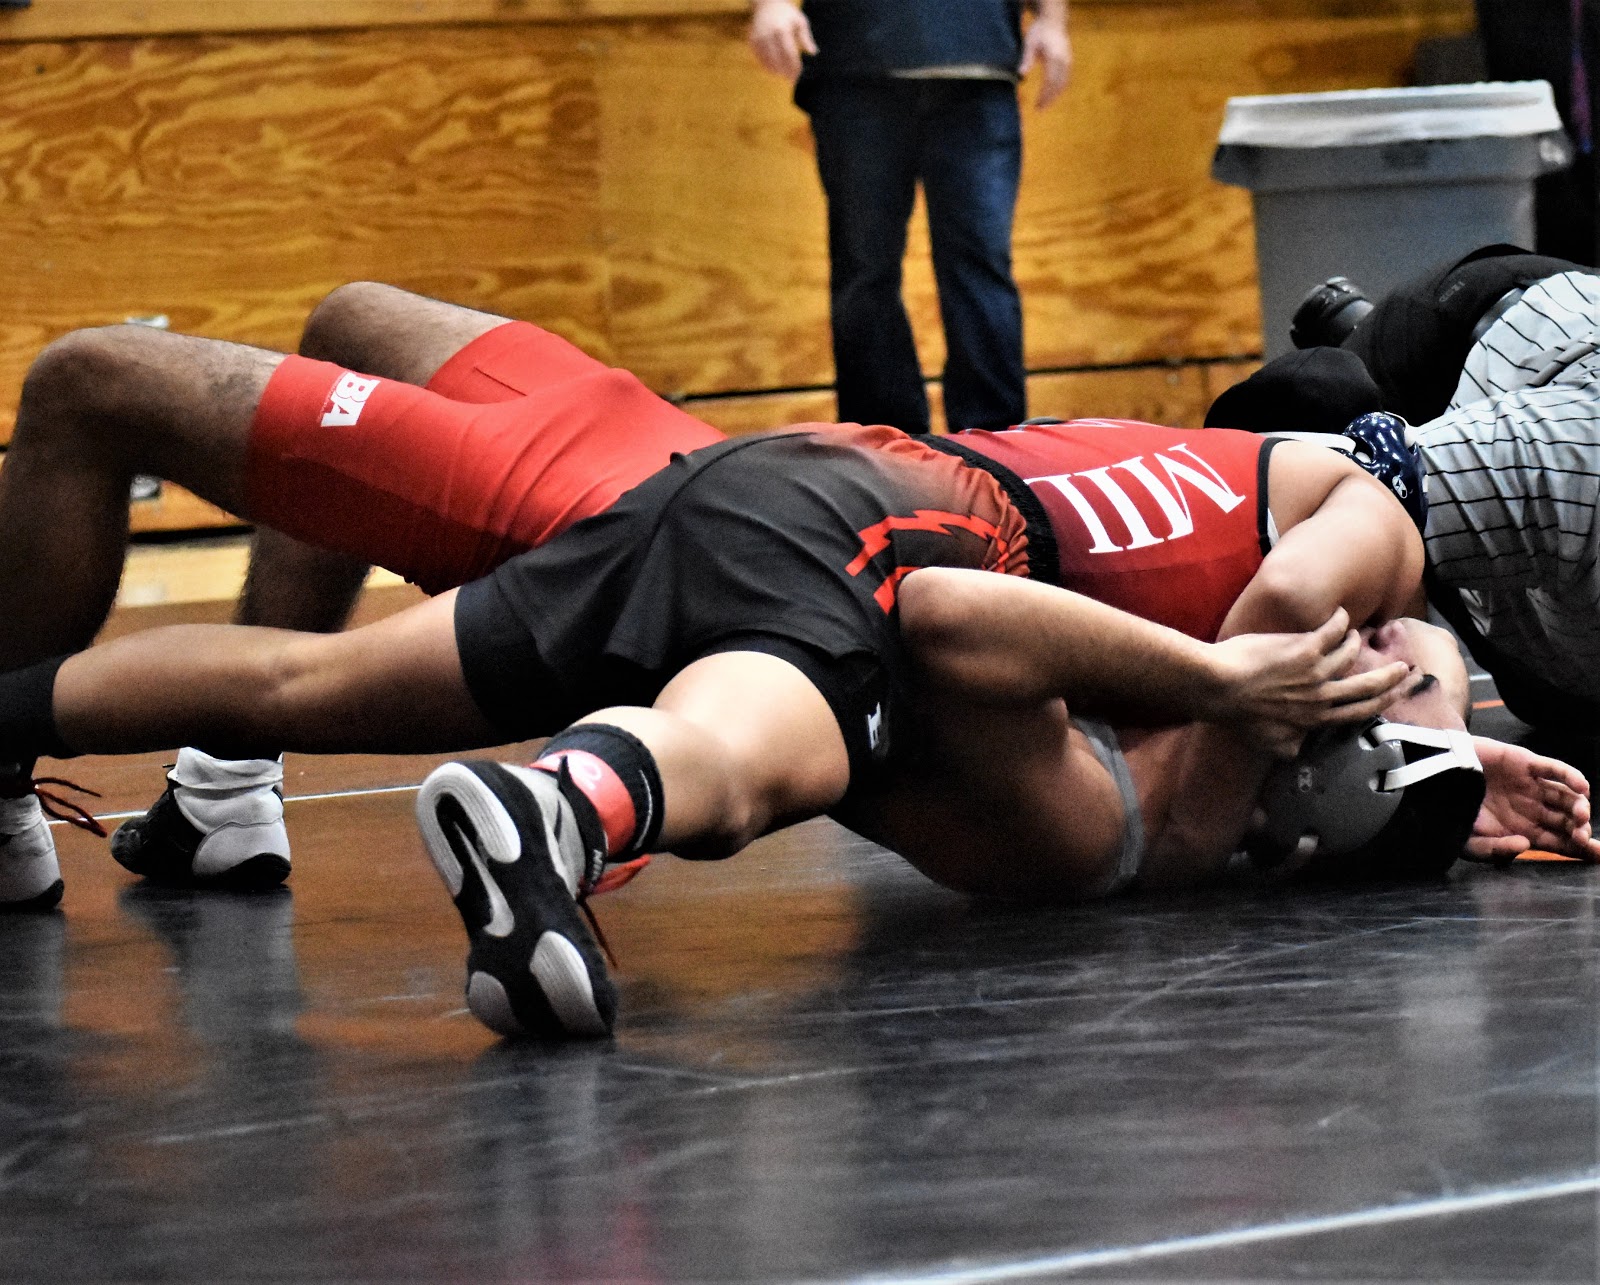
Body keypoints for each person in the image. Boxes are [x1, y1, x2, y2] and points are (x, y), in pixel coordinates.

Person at [0, 287, 1589, 1040]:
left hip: (784, 498)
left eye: (1386, 684)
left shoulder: (1200, 691)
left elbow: (984, 626)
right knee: (761, 728)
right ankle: (555, 803)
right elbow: (993, 629)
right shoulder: (1220, 683)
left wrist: (1282, 701)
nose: (1393, 661)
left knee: (779, 724)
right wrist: (1316, 717)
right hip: (805, 515)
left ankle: (561, 799)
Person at [1213, 244, 1600, 741]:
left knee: (1553, 698)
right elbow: (1302, 553)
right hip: (1458, 350)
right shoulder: (1561, 466)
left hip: (1544, 484)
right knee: (1302, 520)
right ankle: (1349, 333)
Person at [747, 0, 1070, 433]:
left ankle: (996, 453)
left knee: (980, 269)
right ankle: (884, 452)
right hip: (855, 60)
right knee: (865, 270)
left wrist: (1052, 18)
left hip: (979, 60)